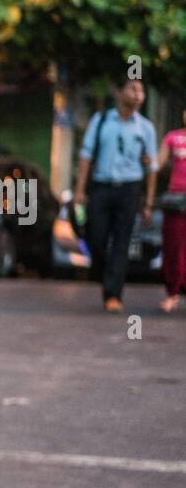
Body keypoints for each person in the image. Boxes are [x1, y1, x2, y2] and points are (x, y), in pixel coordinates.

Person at [73, 77, 159, 313]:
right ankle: (105, 272)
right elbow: (86, 156)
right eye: (133, 89)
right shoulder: (101, 121)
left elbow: (151, 168)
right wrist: (80, 190)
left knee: (121, 241)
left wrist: (148, 201)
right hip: (102, 186)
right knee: (95, 236)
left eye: (141, 91)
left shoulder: (146, 128)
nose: (138, 95)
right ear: (119, 92)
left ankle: (113, 295)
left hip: (129, 189)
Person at [151, 109, 186, 313]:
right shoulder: (173, 137)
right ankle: (172, 293)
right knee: (173, 247)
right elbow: (158, 163)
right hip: (177, 200)